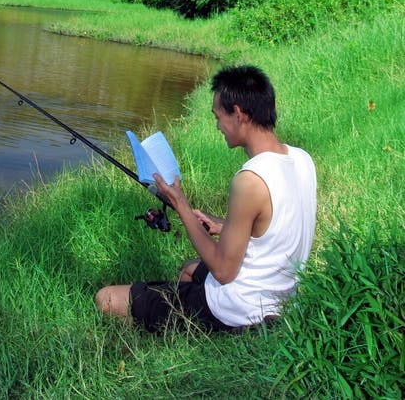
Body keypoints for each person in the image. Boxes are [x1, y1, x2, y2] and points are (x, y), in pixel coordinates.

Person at [95, 64, 317, 332]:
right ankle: (178, 321)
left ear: (238, 114)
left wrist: (181, 206)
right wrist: (223, 226)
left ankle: (193, 323)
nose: (217, 126)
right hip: (280, 300)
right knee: (189, 269)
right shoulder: (301, 159)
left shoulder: (250, 180)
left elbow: (223, 271)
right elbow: (278, 225)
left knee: (106, 299)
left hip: (238, 311)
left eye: (218, 116)